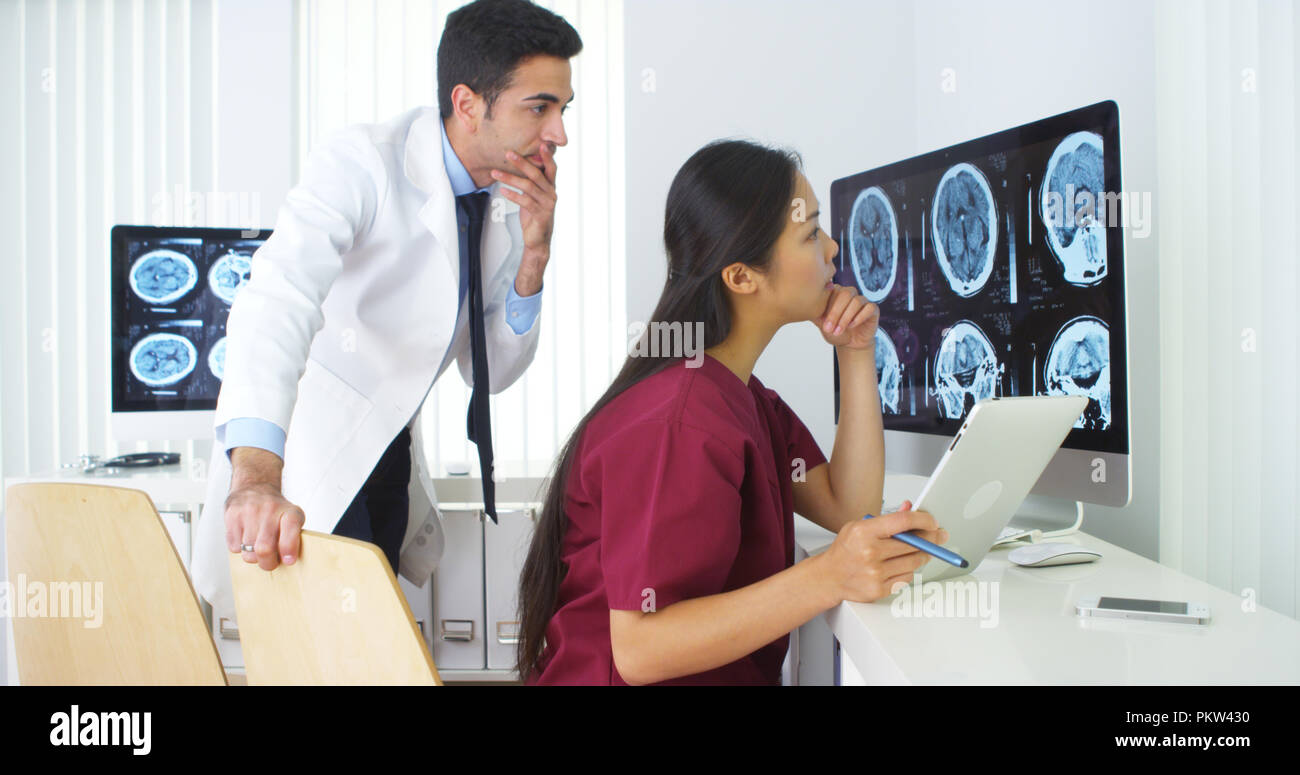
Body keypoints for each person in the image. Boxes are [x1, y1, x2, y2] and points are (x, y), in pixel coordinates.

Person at [191, 0, 582, 618]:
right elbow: (277, 298)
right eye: (540, 107)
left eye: (562, 109)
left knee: (373, 646)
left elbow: (490, 375)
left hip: (390, 457)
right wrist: (259, 478)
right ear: (468, 102)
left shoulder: (506, 205)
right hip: (310, 461)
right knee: (332, 656)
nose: (560, 132)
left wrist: (535, 255)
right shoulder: (364, 162)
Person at [516, 139, 950, 685]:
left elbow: (848, 507)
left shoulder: (742, 397)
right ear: (743, 277)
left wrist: (856, 353)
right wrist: (830, 574)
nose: (834, 248)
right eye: (811, 233)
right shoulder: (678, 422)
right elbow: (640, 649)